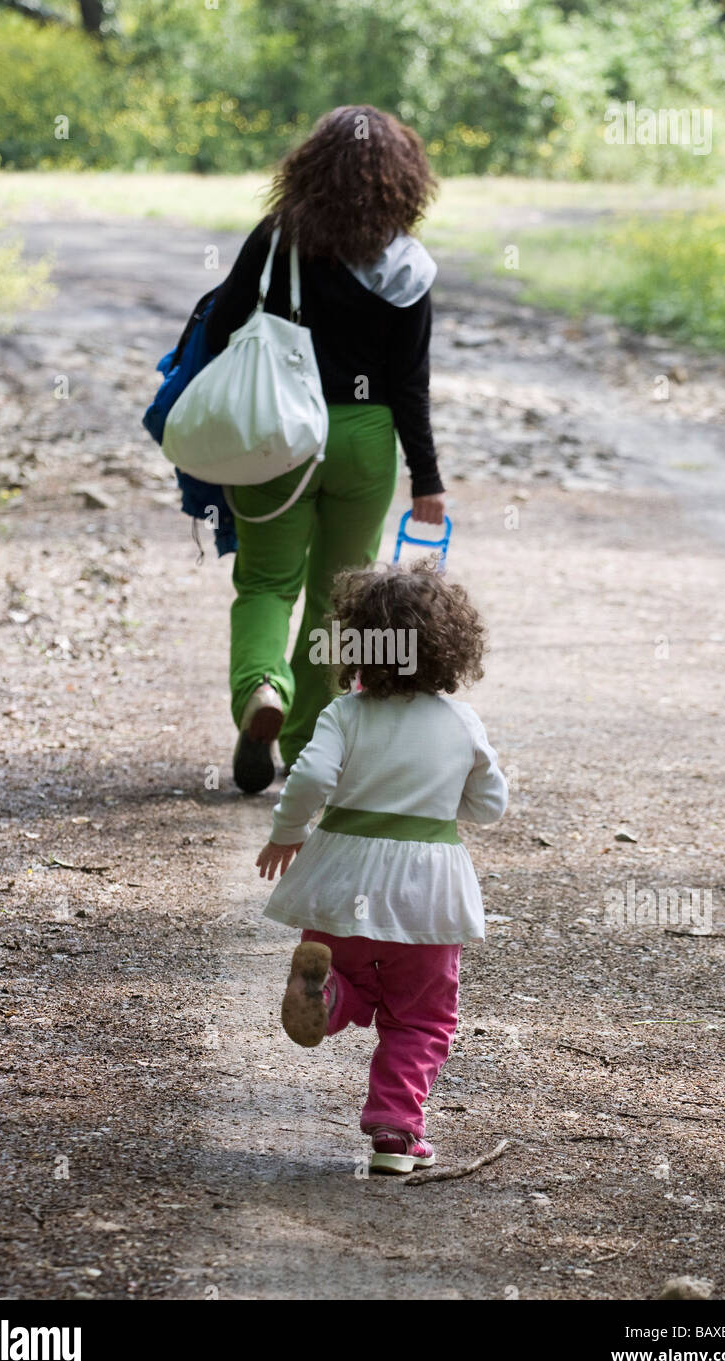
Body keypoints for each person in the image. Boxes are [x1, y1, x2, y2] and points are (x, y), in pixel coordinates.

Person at [203, 105, 446, 794]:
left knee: (265, 584)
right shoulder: (407, 264)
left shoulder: (278, 237)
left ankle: (260, 691)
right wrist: (427, 479)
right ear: (403, 178)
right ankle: (312, 744)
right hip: (364, 443)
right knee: (341, 599)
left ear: (309, 165)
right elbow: (410, 385)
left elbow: (219, 329)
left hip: (275, 435)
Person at [255, 560, 508, 1175]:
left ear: (356, 642)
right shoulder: (459, 721)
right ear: (452, 650)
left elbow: (312, 776)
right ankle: (396, 1131)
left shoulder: (347, 713)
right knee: (420, 1014)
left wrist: (287, 833)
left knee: (349, 970)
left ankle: (327, 992)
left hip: (343, 877)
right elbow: (490, 805)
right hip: (427, 892)